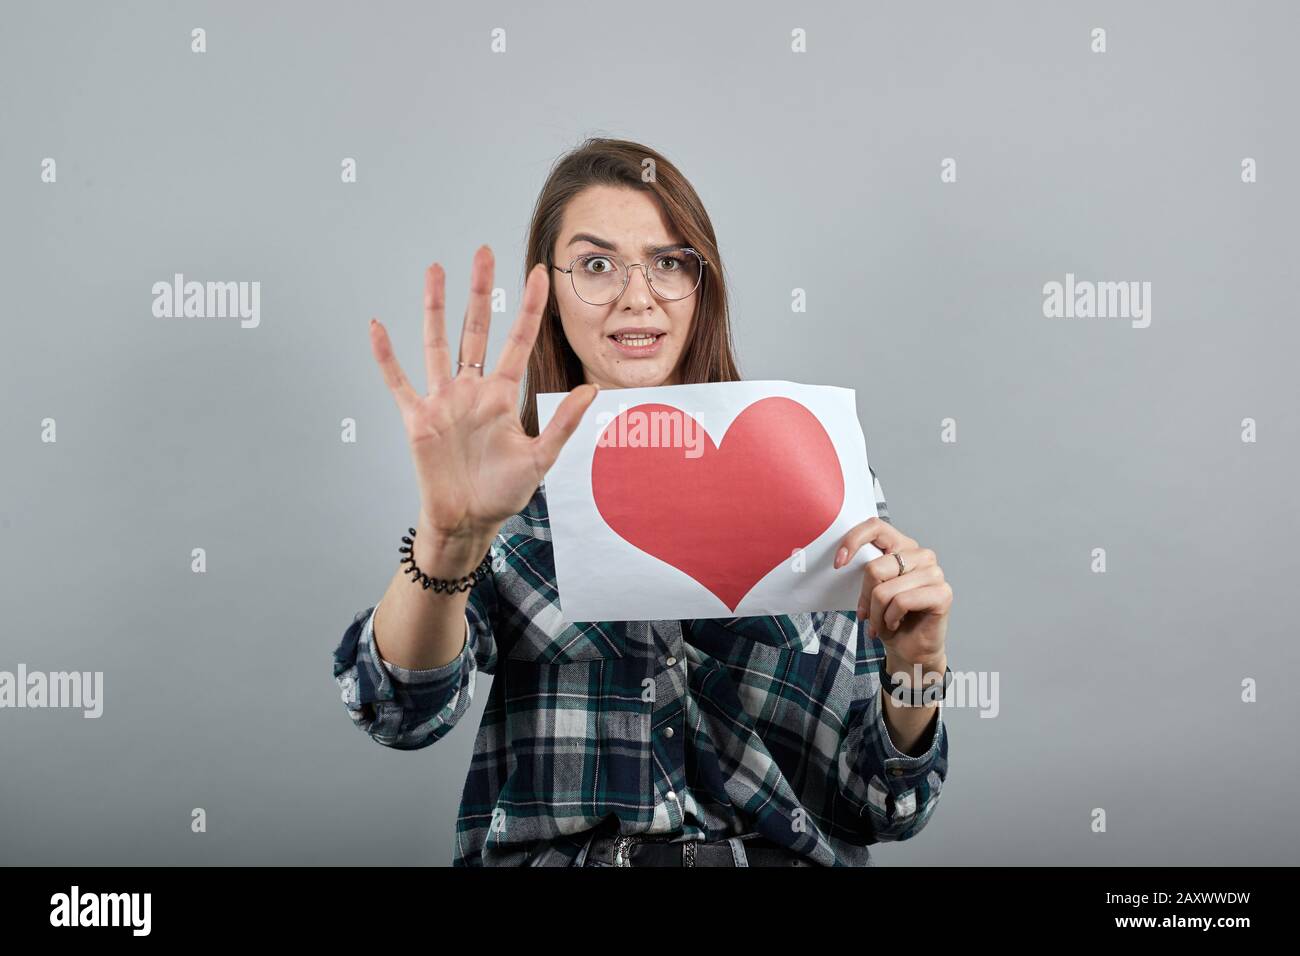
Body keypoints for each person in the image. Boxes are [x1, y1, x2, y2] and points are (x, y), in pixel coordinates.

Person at [332, 137, 953, 867]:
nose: (637, 294)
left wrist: (920, 665)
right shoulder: (506, 492)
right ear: (550, 293)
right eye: (597, 265)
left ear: (702, 284)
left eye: (668, 262)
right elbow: (400, 710)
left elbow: (886, 805)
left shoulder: (818, 477)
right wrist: (448, 537)